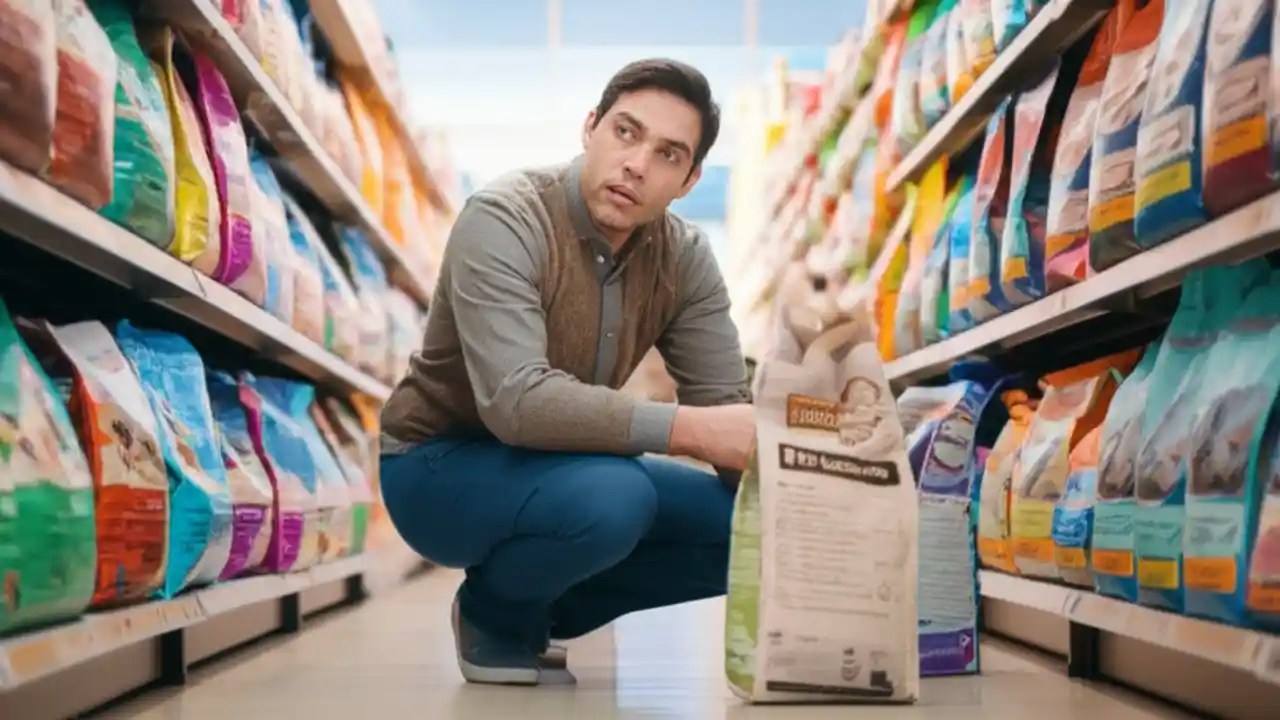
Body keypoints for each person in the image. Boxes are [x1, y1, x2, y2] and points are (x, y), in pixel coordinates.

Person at [378, 59, 755, 686]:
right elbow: (517, 403)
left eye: (667, 154)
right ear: (591, 128)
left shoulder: (684, 259)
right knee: (616, 498)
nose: (636, 163)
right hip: (437, 465)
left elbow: (726, 410)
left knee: (752, 531)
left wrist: (818, 511)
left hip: (564, 466)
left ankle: (540, 608)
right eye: (626, 133)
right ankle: (492, 613)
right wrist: (691, 430)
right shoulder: (505, 217)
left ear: (689, 180)